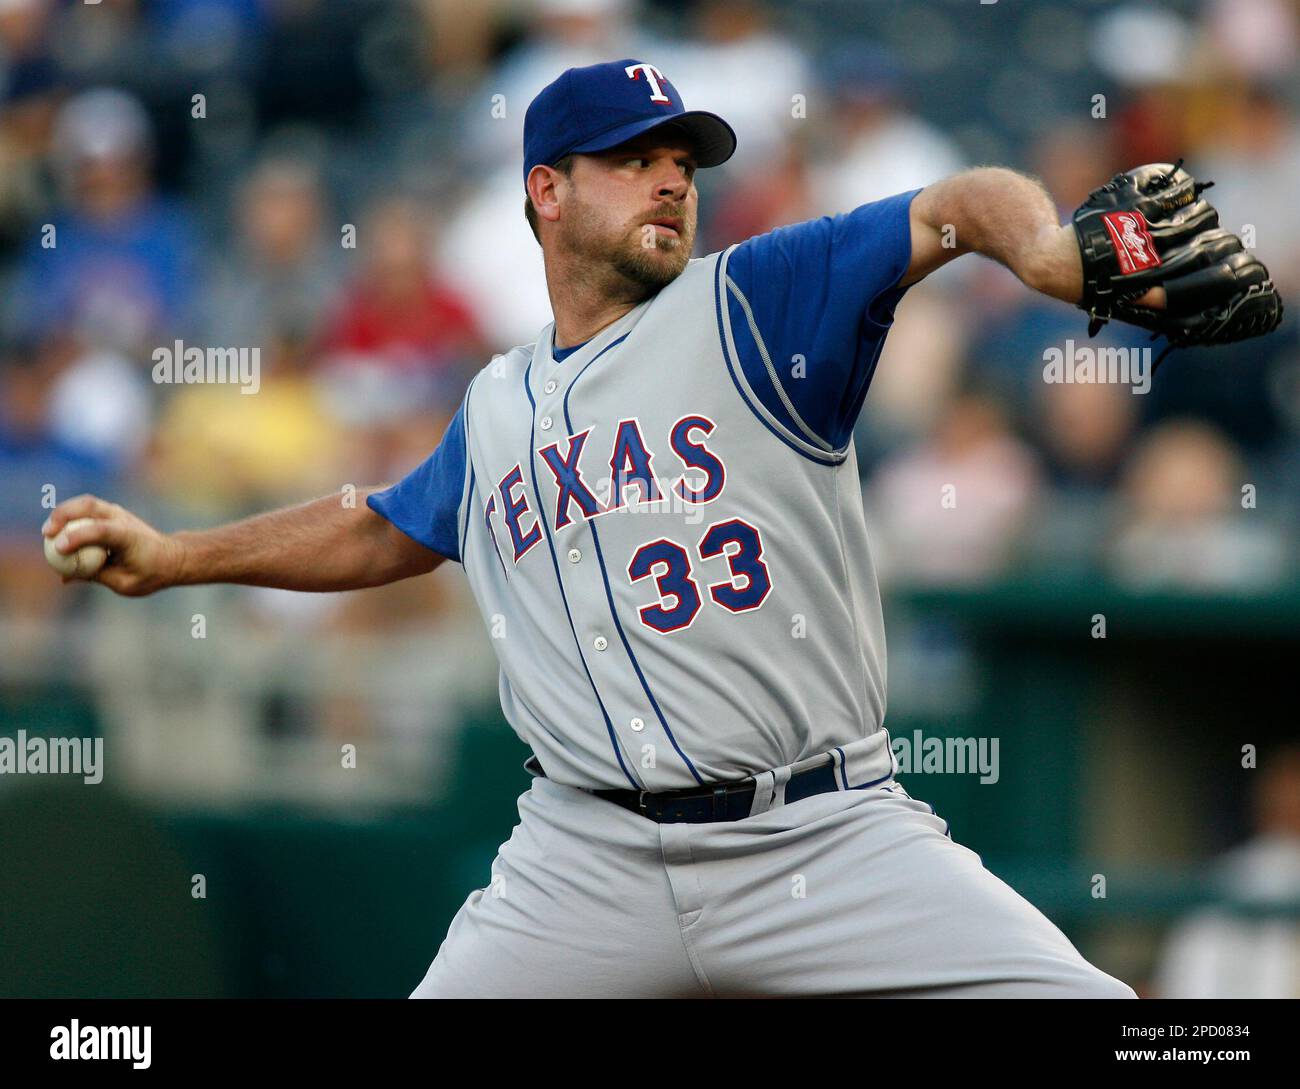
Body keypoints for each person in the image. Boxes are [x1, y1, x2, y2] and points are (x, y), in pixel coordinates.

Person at [44, 59, 1146, 998]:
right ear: (547, 191)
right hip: (587, 855)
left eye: (684, 162)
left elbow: (951, 204)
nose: (672, 179)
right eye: (633, 158)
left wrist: (1045, 251)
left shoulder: (757, 298)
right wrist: (180, 555)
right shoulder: (494, 405)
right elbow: (385, 528)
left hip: (818, 831)